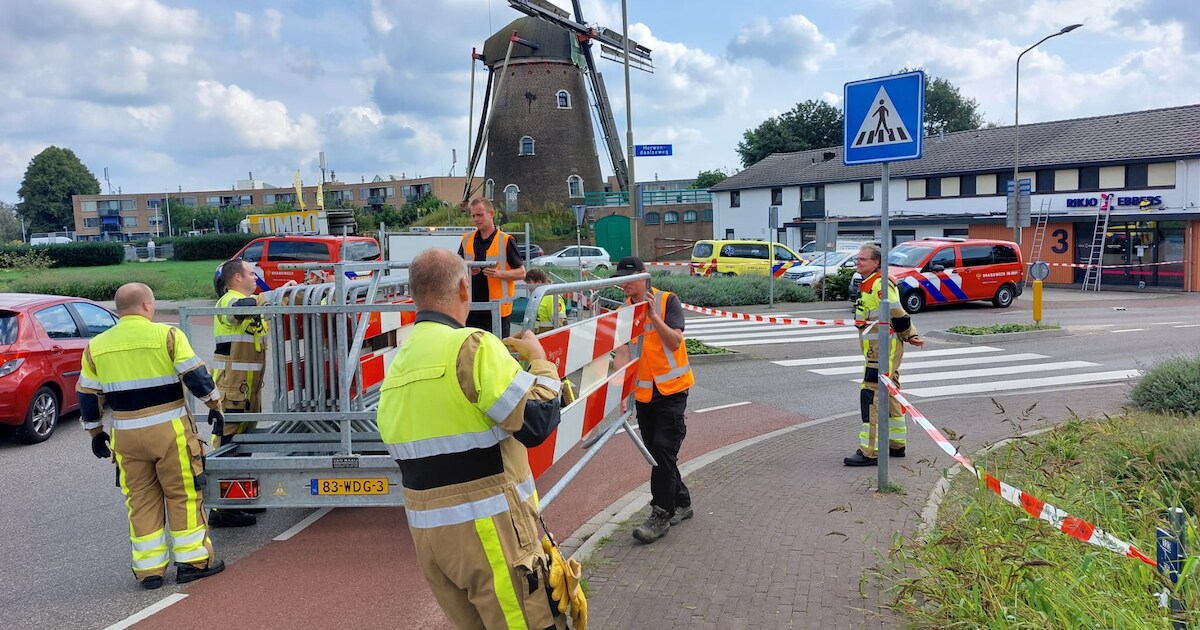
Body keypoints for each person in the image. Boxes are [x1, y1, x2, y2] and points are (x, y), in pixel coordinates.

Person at [377, 248, 567, 629]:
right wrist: (542, 364)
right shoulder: (471, 346)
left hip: (431, 541)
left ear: (414, 294)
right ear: (465, 287)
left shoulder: (397, 365)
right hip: (491, 535)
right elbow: (538, 422)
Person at [77, 283, 227, 590]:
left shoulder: (96, 346)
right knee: (183, 494)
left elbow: (88, 396)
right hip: (170, 431)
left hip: (126, 436)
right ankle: (193, 562)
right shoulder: (167, 336)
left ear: (119, 310)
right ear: (147, 306)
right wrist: (214, 404)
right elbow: (196, 376)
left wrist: (95, 432)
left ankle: (150, 572)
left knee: (140, 500)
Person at [611, 256, 695, 543]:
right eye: (621, 279)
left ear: (645, 277)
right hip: (645, 395)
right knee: (659, 454)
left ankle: (661, 515)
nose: (625, 284)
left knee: (662, 449)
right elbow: (622, 353)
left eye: (629, 279)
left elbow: (674, 341)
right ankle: (682, 502)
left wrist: (653, 317)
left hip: (672, 391)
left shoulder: (667, 301)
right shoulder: (623, 312)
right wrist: (622, 393)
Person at [209, 259, 296, 527]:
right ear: (236, 278)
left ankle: (237, 497)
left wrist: (294, 290)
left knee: (243, 443)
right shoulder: (228, 301)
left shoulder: (252, 302)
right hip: (232, 387)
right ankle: (221, 508)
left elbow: (267, 306)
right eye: (251, 274)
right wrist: (271, 295)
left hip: (248, 387)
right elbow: (241, 310)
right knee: (228, 444)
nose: (256, 278)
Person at [844, 243, 925, 467]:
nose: (857, 262)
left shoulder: (880, 284)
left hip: (882, 348)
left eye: (862, 259)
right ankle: (896, 444)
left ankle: (869, 452)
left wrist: (910, 335)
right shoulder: (869, 283)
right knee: (890, 391)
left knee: (871, 393)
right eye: (858, 259)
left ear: (876, 262)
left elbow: (897, 312)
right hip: (878, 346)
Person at [457, 198, 525, 338]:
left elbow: (521, 273)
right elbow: (456, 267)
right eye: (473, 215)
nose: (476, 219)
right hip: (471, 309)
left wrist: (499, 273)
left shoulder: (506, 240)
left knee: (497, 353)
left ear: (491, 214)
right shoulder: (466, 239)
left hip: (497, 311)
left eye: (479, 215)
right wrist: (468, 270)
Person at [525, 267, 567, 333]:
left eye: (529, 282)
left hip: (549, 341)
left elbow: (562, 327)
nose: (527, 286)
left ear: (539, 282)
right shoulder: (537, 298)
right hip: (538, 340)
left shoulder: (552, 298)